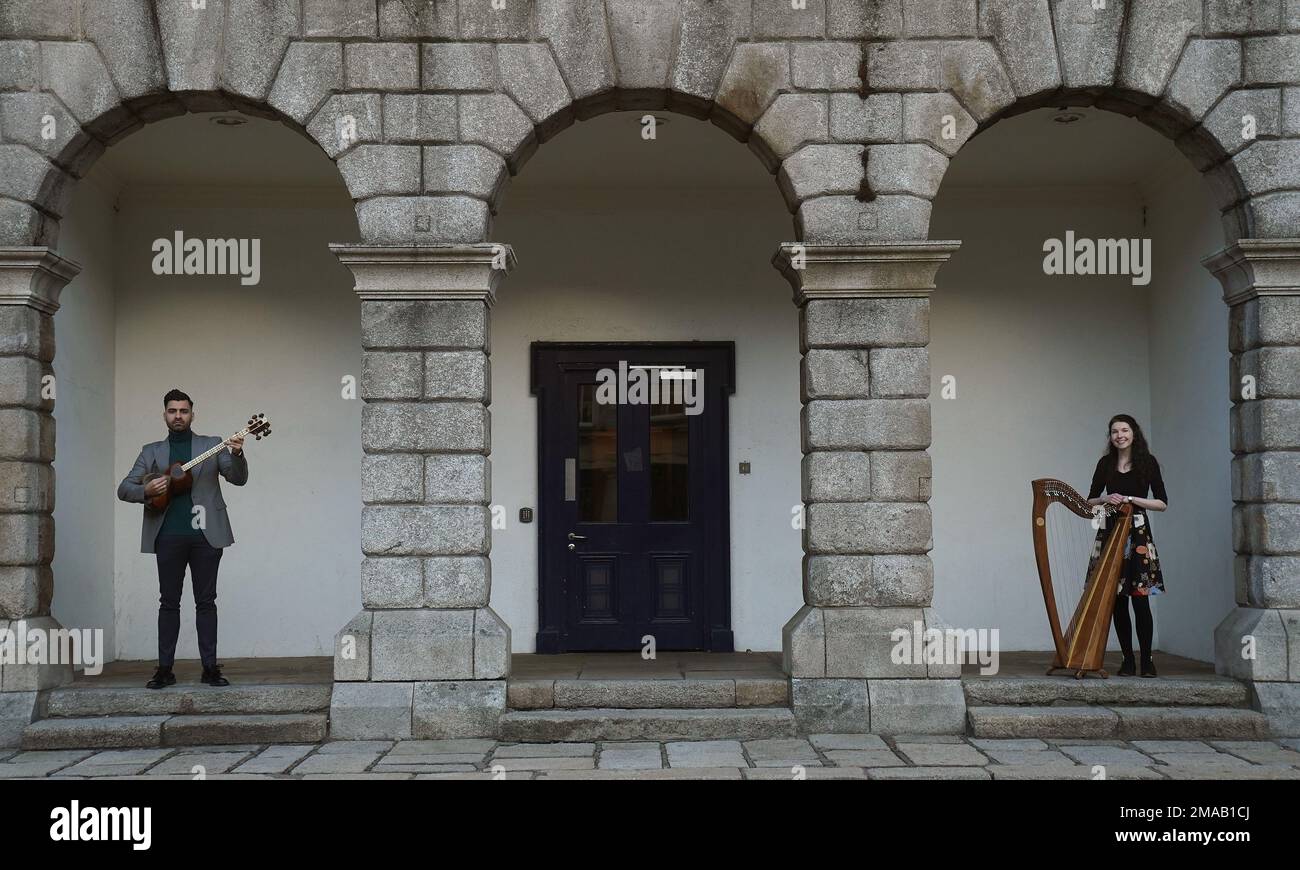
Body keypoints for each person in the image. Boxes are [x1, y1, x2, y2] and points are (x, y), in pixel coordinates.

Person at [117, 389, 248, 688]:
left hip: (206, 534)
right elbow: (124, 488)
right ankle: (165, 670)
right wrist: (147, 491)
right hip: (168, 535)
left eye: (184, 411)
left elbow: (237, 478)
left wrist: (237, 453)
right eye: (173, 411)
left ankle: (210, 669)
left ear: (192, 414)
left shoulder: (212, 445)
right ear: (164, 414)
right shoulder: (150, 452)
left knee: (206, 602)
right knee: (168, 602)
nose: (178, 415)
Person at [1085, 413, 1168, 678]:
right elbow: (1089, 500)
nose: (1120, 435)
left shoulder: (1147, 463)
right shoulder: (1105, 464)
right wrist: (1106, 498)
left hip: (1139, 535)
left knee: (1140, 600)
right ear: (1110, 437)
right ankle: (1127, 660)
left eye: (1124, 430)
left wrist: (1133, 498)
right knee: (1117, 600)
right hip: (1110, 531)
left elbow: (1162, 502)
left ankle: (1147, 660)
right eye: (1114, 431)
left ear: (1134, 433)